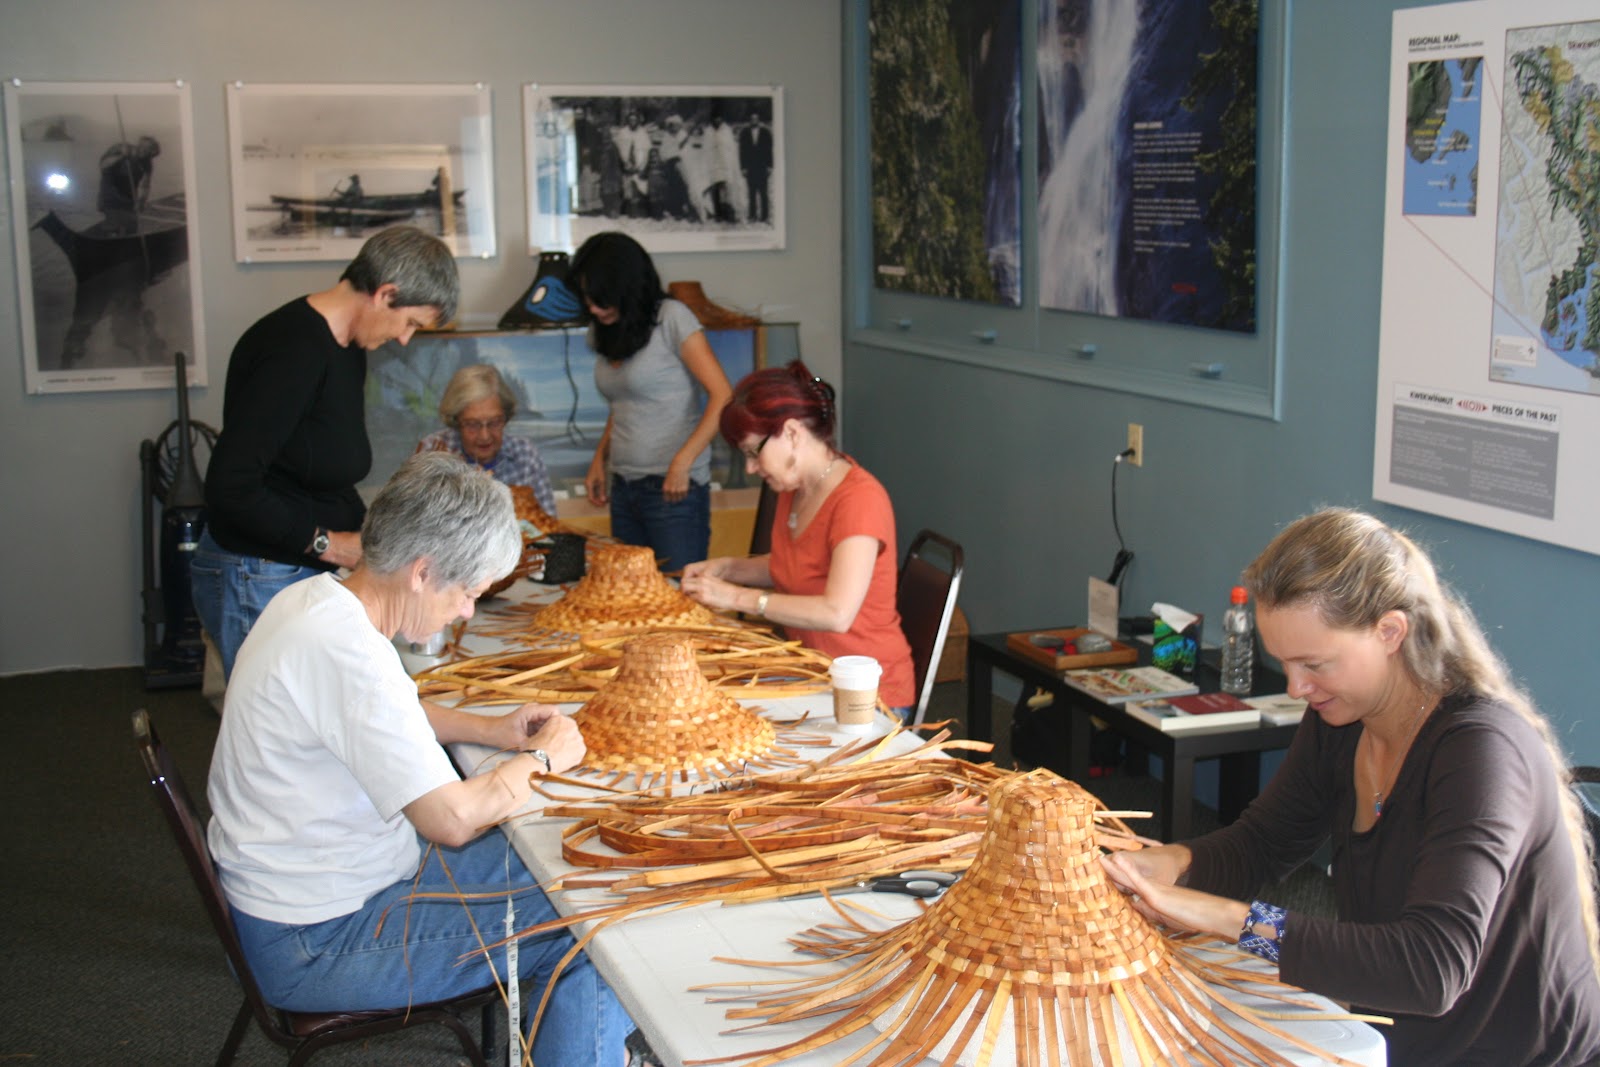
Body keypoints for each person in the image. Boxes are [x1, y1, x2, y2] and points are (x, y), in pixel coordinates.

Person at [1101, 508, 1600, 1067]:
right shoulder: (1342, 717)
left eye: (1314, 663)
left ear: (1390, 632)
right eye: (1285, 664)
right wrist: (1171, 863)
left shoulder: (1481, 752)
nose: (1295, 687)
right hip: (1394, 1036)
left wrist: (1221, 917)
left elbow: (1429, 970)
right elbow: (1265, 842)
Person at [206, 452, 629, 1064]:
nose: (465, 612)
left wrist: (492, 730)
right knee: (589, 922)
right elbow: (450, 820)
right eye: (468, 594)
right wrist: (543, 760)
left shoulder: (315, 603)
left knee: (564, 864)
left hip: (310, 896)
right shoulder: (346, 650)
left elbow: (387, 714)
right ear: (422, 572)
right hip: (315, 941)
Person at [193, 225, 457, 680]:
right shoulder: (292, 349)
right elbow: (230, 487)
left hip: (294, 566)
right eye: (411, 322)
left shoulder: (348, 346)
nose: (405, 339)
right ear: (385, 293)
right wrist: (331, 545)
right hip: (258, 572)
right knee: (280, 731)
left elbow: (321, 471)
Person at [680, 361, 915, 713]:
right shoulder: (795, 487)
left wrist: (736, 598)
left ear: (791, 433)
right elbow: (793, 566)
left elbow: (836, 613)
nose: (750, 468)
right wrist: (727, 568)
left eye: (752, 453)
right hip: (810, 672)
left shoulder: (859, 500)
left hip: (866, 696)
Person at [568, 231, 732, 572]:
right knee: (632, 599)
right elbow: (623, 404)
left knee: (678, 598)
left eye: (601, 299)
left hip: (674, 493)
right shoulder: (603, 329)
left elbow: (723, 396)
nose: (594, 309)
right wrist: (600, 458)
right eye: (587, 299)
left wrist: (683, 462)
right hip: (624, 488)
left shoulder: (672, 318)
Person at [415, 363, 556, 514]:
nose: (485, 436)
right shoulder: (432, 451)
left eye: (494, 422)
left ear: (506, 418)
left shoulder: (525, 453)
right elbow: (415, 526)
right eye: (472, 424)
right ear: (456, 421)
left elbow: (549, 525)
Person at [97, 135, 160, 234]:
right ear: (140, 147)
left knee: (131, 228)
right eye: (146, 151)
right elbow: (103, 165)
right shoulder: (120, 148)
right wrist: (121, 156)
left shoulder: (147, 162)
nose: (148, 157)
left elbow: (145, 185)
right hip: (110, 196)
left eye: (151, 155)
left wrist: (142, 201)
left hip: (129, 198)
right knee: (113, 226)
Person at [738, 115, 774, 223]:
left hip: (762, 166)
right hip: (750, 167)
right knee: (751, 192)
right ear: (749, 120)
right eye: (751, 119)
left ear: (759, 120)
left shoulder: (766, 133)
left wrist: (770, 166)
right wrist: (743, 167)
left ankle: (765, 216)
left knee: (763, 192)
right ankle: (752, 215)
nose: (753, 121)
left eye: (756, 119)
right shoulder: (744, 133)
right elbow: (742, 152)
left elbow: (769, 150)